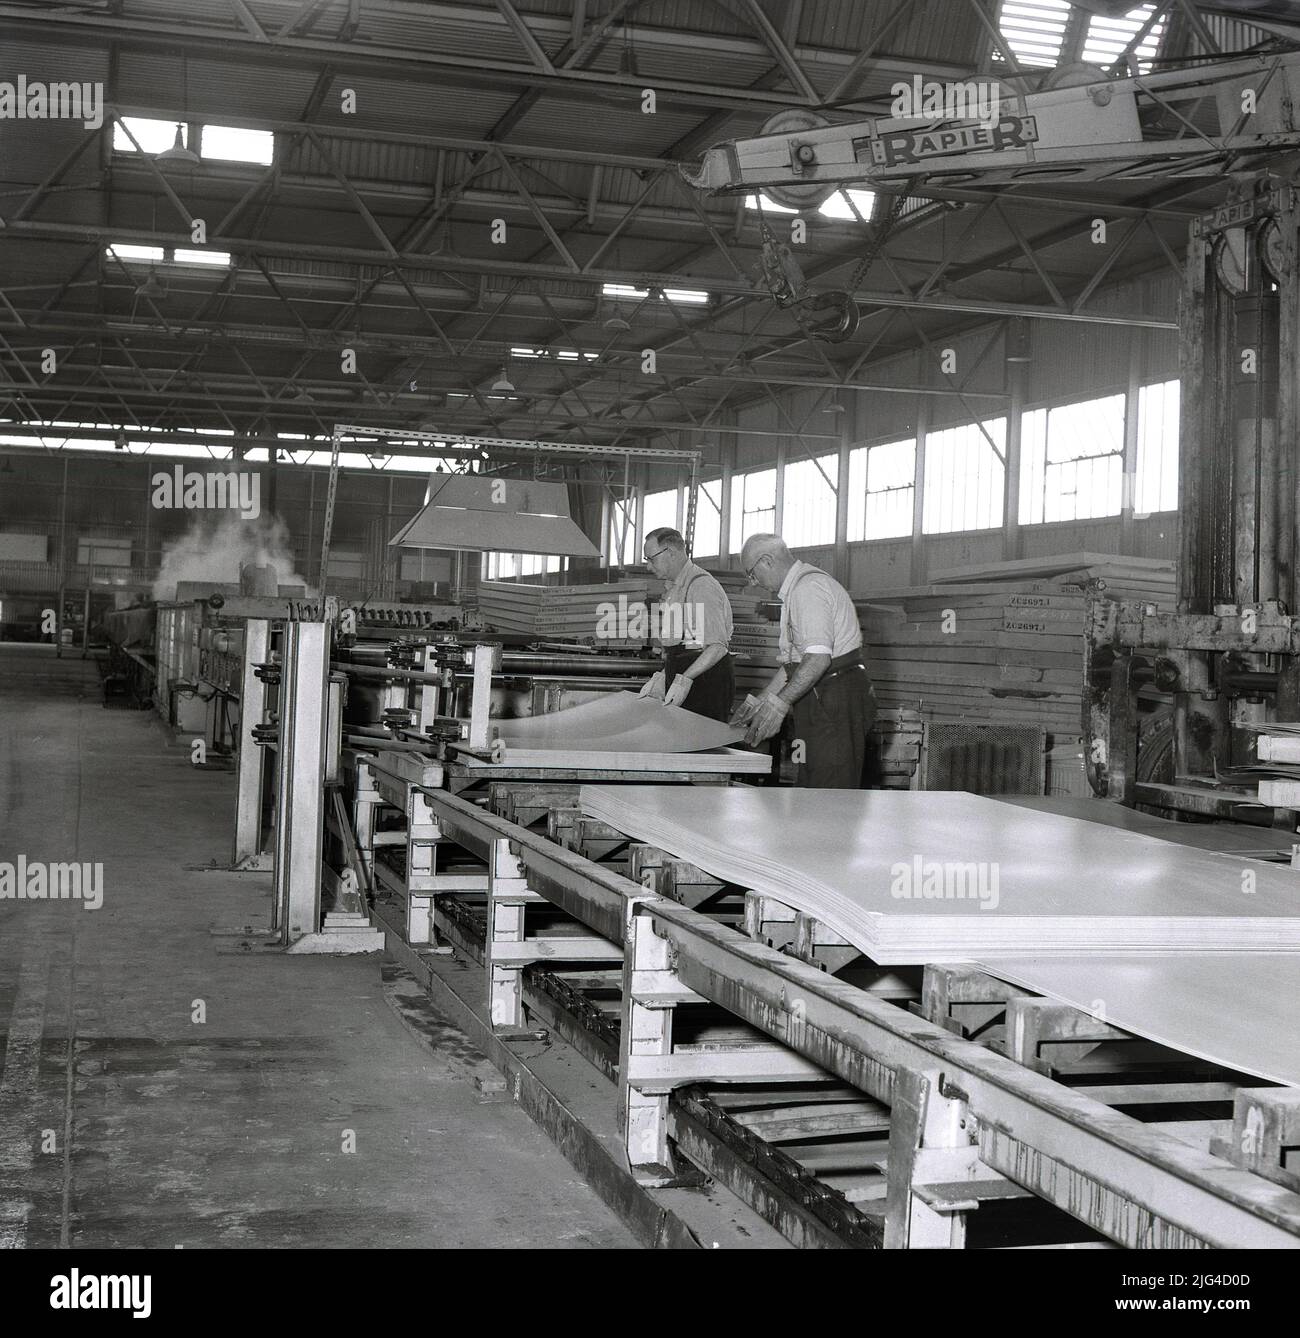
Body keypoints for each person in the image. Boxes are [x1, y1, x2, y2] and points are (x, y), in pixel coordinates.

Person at [730, 533, 875, 787]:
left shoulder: (808, 590)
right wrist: (762, 700)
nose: (753, 583)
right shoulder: (797, 589)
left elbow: (818, 660)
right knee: (813, 782)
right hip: (821, 696)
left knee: (831, 788)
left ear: (767, 561)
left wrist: (779, 705)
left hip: (834, 700)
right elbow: (796, 662)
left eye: (752, 573)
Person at [637, 527, 735, 722]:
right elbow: (682, 645)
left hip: (706, 682)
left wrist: (684, 679)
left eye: (651, 559)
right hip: (686, 674)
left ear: (671, 553)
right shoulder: (674, 590)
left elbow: (716, 647)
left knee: (703, 748)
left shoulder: (700, 586)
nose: (649, 567)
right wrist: (664, 676)